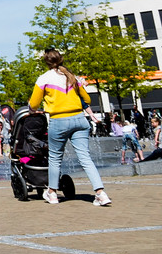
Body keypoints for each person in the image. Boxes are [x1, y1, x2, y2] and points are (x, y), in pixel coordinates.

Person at [28, 49, 111, 207]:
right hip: (79, 120)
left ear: (46, 62)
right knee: (85, 157)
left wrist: (34, 109)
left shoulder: (43, 79)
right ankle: (100, 193)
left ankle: (52, 193)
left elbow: (33, 104)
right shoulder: (71, 77)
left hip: (59, 121)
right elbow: (86, 98)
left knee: (54, 158)